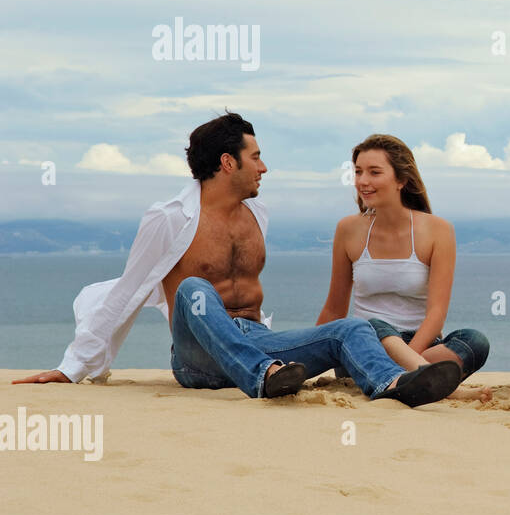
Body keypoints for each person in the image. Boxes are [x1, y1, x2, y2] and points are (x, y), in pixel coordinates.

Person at [15, 113, 461, 407]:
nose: (264, 167)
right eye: (256, 157)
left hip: (256, 343)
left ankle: (393, 385)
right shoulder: (171, 218)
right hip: (199, 360)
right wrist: (73, 367)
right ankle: (263, 376)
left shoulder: (256, 214)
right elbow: (126, 291)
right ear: (228, 163)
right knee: (193, 288)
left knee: (351, 327)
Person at [316, 134, 490, 400]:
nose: (363, 181)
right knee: (370, 325)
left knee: (475, 342)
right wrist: (307, 357)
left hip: (420, 343)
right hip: (364, 343)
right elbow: (334, 307)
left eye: (374, 172)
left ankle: (395, 377)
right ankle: (421, 380)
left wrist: (410, 355)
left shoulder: (438, 230)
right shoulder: (348, 229)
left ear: (401, 180)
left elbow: (436, 313)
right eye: (358, 172)